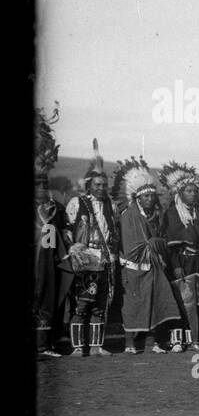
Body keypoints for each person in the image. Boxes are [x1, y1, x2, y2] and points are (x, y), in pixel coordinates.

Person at [115, 158, 181, 354]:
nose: (150, 199)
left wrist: (155, 245)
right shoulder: (128, 216)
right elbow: (130, 244)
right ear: (138, 198)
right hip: (132, 268)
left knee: (155, 302)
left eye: (152, 196)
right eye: (146, 197)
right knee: (132, 305)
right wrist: (152, 245)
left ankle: (154, 343)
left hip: (153, 267)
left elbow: (160, 240)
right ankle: (129, 345)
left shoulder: (156, 217)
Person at [62, 141, 119, 357]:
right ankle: (78, 347)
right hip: (84, 259)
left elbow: (113, 232)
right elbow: (67, 230)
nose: (101, 188)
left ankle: (96, 346)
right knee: (82, 303)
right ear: (89, 185)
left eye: (104, 185)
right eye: (97, 185)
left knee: (100, 304)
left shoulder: (110, 205)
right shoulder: (77, 203)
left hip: (105, 259)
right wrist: (73, 248)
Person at [160, 161, 199, 352]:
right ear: (180, 193)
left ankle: (195, 340)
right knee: (180, 302)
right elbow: (169, 243)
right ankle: (178, 341)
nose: (192, 194)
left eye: (194, 191)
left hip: (198, 264)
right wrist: (175, 265)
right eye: (188, 191)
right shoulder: (172, 214)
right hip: (180, 263)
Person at [34, 178, 70, 358]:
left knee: (49, 298)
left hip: (50, 261)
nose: (41, 189)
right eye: (37, 185)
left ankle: (45, 344)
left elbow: (63, 234)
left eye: (45, 185)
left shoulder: (57, 209)